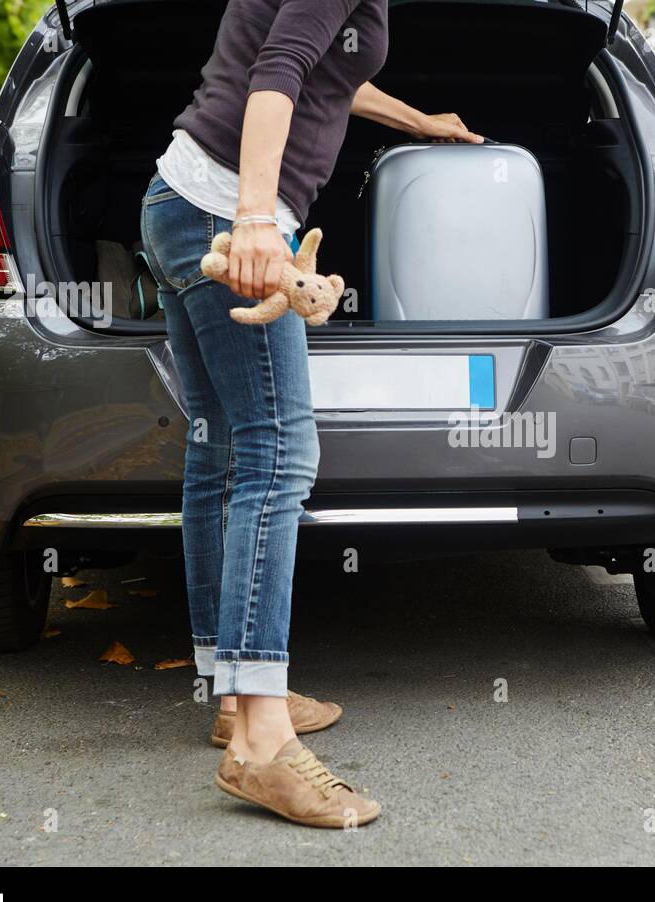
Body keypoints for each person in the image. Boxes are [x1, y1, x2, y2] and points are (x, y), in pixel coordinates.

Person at [140, 0, 481, 828]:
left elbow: (331, 73)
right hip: (227, 210)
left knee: (220, 449)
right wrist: (258, 216)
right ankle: (259, 738)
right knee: (278, 453)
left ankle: (233, 691)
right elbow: (278, 72)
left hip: (178, 201)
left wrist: (419, 121)